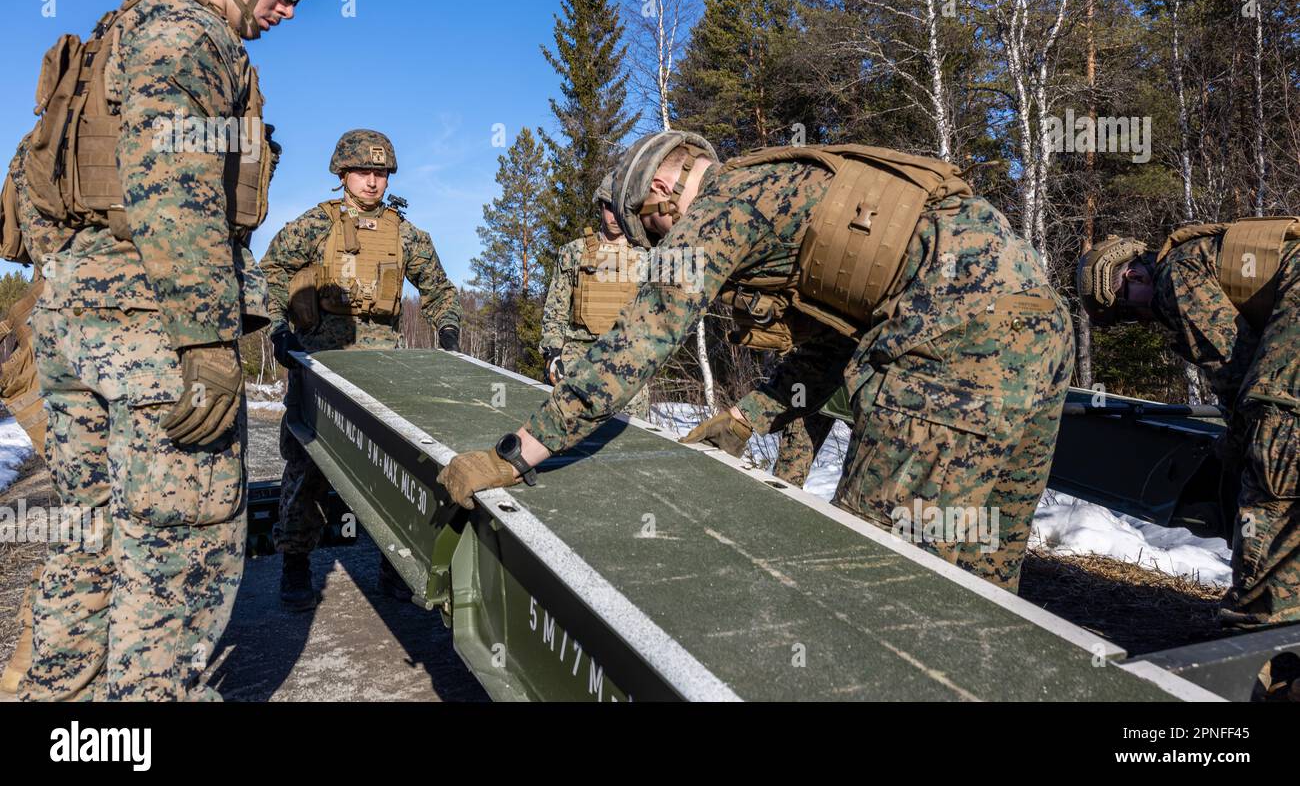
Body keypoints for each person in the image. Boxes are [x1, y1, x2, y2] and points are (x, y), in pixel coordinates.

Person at [439, 130, 1074, 592]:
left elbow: (636, 344)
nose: (662, 244)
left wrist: (514, 454)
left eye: (655, 233)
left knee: (880, 583)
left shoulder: (721, 208)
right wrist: (746, 420)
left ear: (662, 191)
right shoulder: (791, 182)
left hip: (954, 348)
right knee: (988, 583)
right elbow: (833, 348)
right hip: (1041, 332)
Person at [13, 0, 329, 700]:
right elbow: (174, 185)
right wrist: (202, 340)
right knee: (179, 556)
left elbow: (35, 183)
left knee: (89, 538)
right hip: (154, 334)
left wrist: (68, 290)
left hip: (80, 321)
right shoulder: (191, 35)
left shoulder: (119, 32)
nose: (289, 9)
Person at [261, 129, 462, 609]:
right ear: (343, 174)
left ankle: (397, 568)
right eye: (363, 172)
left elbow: (439, 290)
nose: (373, 182)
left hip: (382, 370)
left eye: (380, 173)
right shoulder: (316, 224)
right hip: (320, 364)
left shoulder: (405, 233)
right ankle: (295, 564)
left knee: (392, 470)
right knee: (306, 465)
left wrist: (448, 330)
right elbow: (270, 271)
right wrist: (277, 328)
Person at [1077, 223, 1299, 630]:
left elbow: (1235, 367)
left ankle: (1264, 634)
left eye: (1127, 311)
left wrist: (1235, 446)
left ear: (1133, 275)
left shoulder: (1174, 274)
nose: (1140, 320)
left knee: (1272, 476)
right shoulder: (1206, 257)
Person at [540, 171, 650, 419]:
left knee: (633, 436)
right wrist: (552, 353)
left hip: (627, 355)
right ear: (601, 206)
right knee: (564, 427)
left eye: (621, 208)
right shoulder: (574, 253)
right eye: (609, 207)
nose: (614, 216)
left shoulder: (646, 257)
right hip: (578, 353)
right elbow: (555, 310)